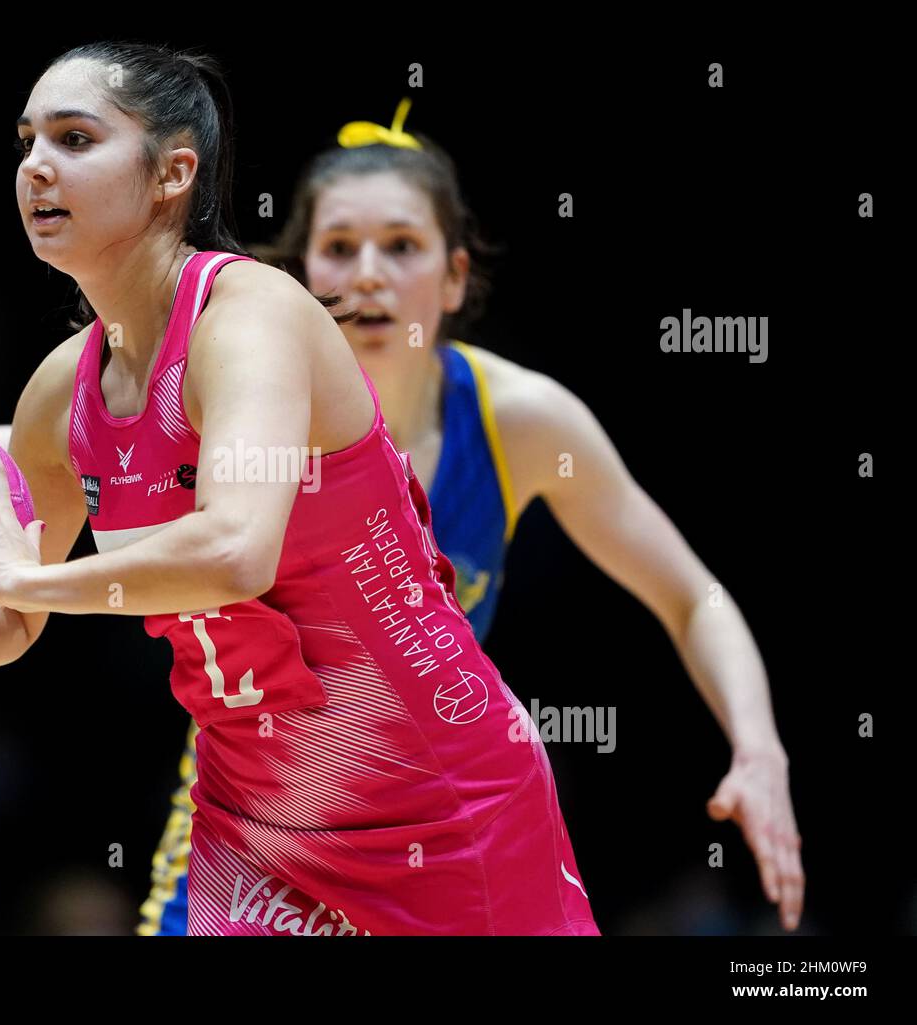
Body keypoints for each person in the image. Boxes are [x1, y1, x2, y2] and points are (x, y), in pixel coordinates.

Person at [0, 44, 598, 935]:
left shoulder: (251, 315)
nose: (35, 166)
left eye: (74, 137)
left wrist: (19, 578)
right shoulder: (61, 390)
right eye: (26, 141)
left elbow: (233, 550)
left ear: (174, 171)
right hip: (254, 818)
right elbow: (4, 630)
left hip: (438, 800)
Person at [135, 100, 804, 936]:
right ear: (300, 276)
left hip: (435, 827)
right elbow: (62, 444)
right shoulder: (240, 406)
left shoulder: (520, 422)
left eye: (403, 246)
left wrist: (759, 748)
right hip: (259, 827)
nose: (369, 273)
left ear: (454, 276)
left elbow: (689, 595)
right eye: (340, 248)